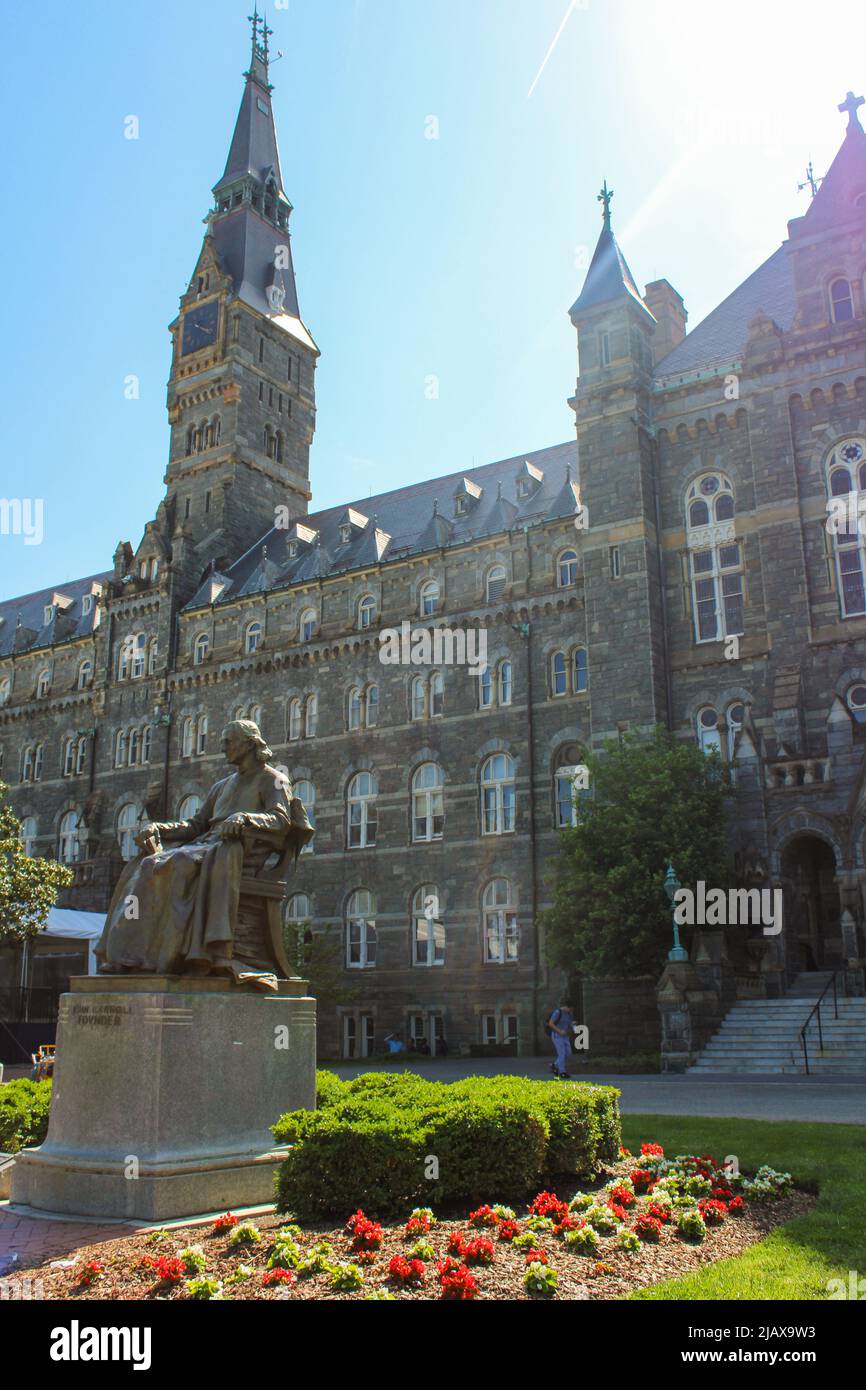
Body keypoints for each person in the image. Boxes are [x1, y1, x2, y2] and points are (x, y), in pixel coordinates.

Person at [95, 720, 313, 990]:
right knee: (146, 863)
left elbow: (281, 819)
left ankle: (175, 955)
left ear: (248, 743)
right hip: (206, 845)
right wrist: (157, 828)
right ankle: (129, 954)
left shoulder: (274, 779)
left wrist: (246, 819)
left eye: (228, 741)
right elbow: (195, 825)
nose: (223, 747)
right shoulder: (221, 786)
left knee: (182, 863)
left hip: (240, 851)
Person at [547, 999, 574, 1080]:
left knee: (568, 1053)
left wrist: (572, 1025)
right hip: (557, 1036)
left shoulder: (569, 1014)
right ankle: (562, 1072)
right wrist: (559, 1031)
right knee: (561, 1053)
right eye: (570, 1009)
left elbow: (569, 1023)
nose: (571, 1010)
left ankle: (554, 1065)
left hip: (565, 1036)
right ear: (566, 1007)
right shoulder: (557, 1012)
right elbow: (550, 1023)